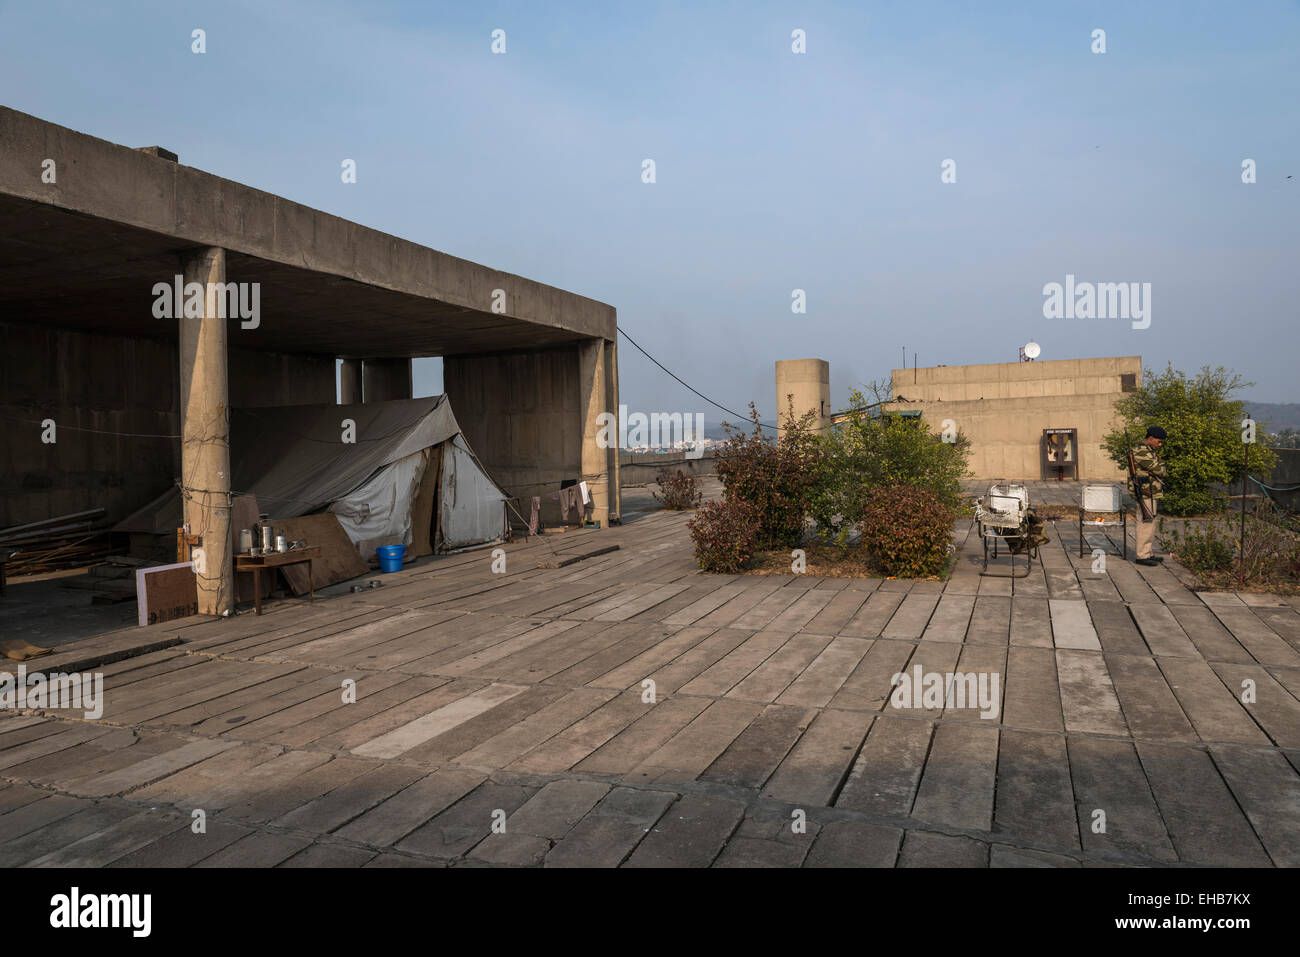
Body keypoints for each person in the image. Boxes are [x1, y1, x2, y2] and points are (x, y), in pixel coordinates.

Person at [1130, 426, 1166, 566]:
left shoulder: (1149, 451)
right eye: (1158, 441)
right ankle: (1142, 555)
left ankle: (1148, 552)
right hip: (1145, 492)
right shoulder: (1141, 451)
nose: (1160, 444)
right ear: (1150, 438)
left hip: (1150, 491)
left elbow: (1158, 469)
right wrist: (1160, 464)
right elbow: (1160, 471)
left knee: (1150, 524)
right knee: (1145, 524)